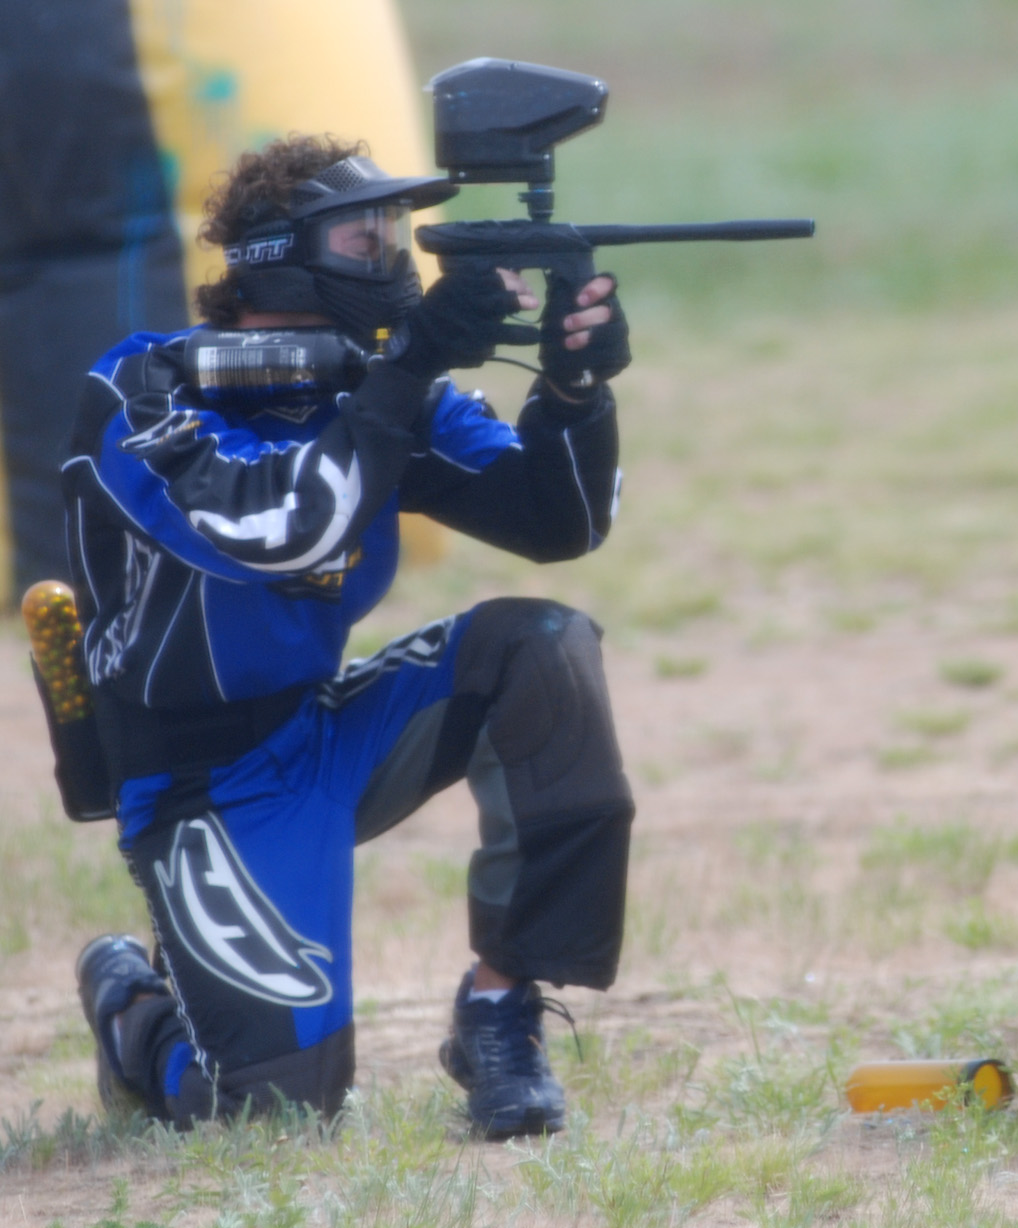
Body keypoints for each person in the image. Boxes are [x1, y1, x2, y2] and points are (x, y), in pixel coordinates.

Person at [65, 134, 636, 1138]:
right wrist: (406, 369)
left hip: (325, 730)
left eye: (394, 232)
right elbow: (281, 530)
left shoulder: (377, 389)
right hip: (201, 783)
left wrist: (573, 393)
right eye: (363, 237)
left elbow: (559, 523)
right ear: (275, 260)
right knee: (276, 1112)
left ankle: (499, 1013)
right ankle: (135, 1011)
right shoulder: (142, 391)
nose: (393, 257)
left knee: (540, 645)